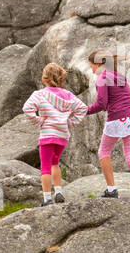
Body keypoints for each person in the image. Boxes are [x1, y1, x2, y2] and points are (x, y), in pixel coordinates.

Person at [86, 48, 130, 208]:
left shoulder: (102, 78)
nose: (91, 69)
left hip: (116, 119)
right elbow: (127, 97)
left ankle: (111, 189)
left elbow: (101, 103)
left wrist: (84, 110)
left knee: (104, 152)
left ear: (99, 64)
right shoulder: (120, 76)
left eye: (92, 65)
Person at [21, 63, 87, 206]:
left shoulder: (40, 94)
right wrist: (70, 122)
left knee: (45, 167)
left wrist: (38, 120)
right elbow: (82, 108)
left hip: (47, 134)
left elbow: (27, 108)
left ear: (44, 78)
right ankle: (58, 192)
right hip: (62, 135)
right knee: (55, 163)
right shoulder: (68, 95)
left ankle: (47, 199)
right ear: (61, 78)